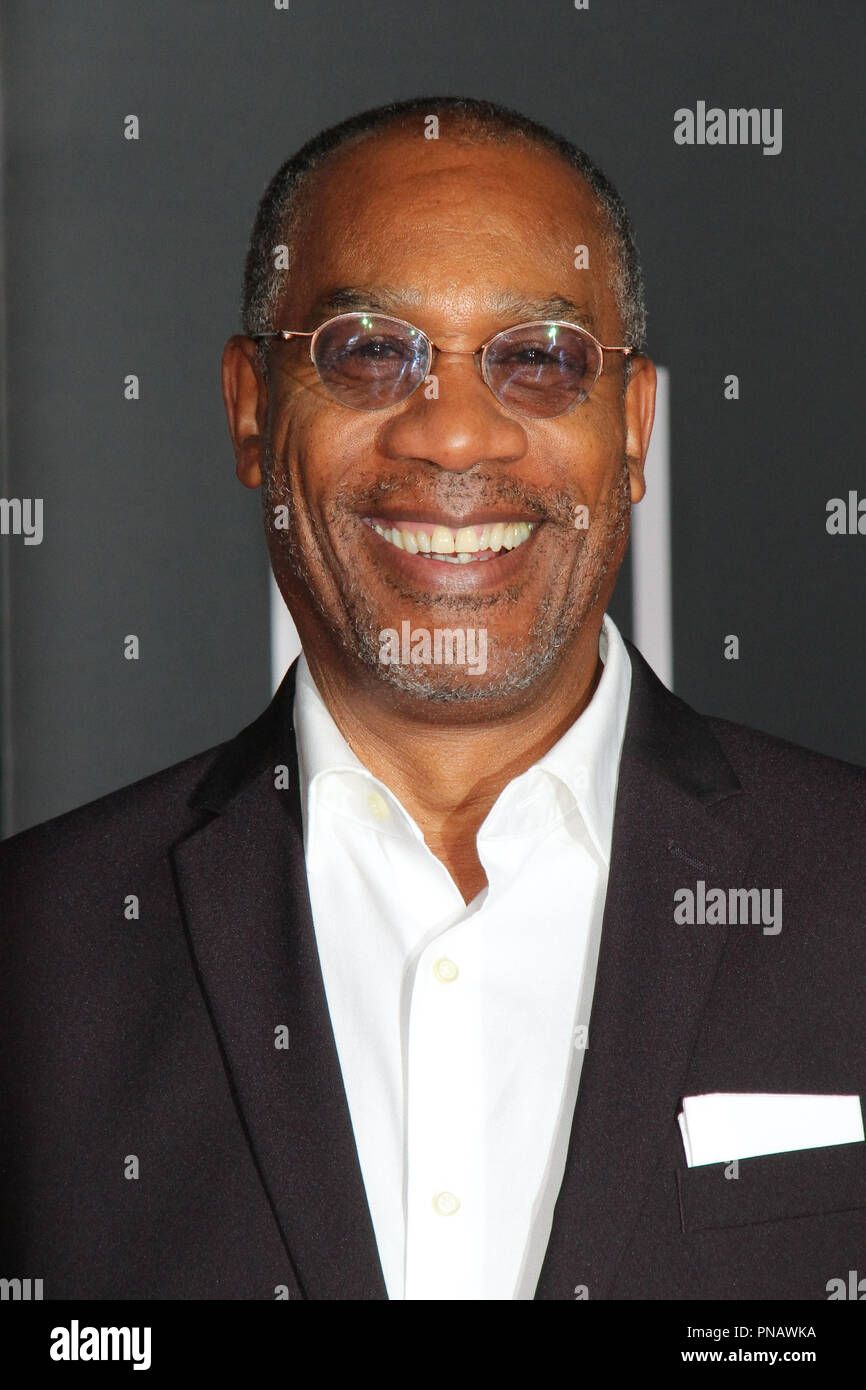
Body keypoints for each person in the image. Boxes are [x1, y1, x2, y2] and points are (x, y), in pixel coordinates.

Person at [2, 96, 865, 1302]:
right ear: (252, 408)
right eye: (368, 349)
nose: (455, 435)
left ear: (632, 425)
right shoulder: (35, 951)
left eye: (539, 359)